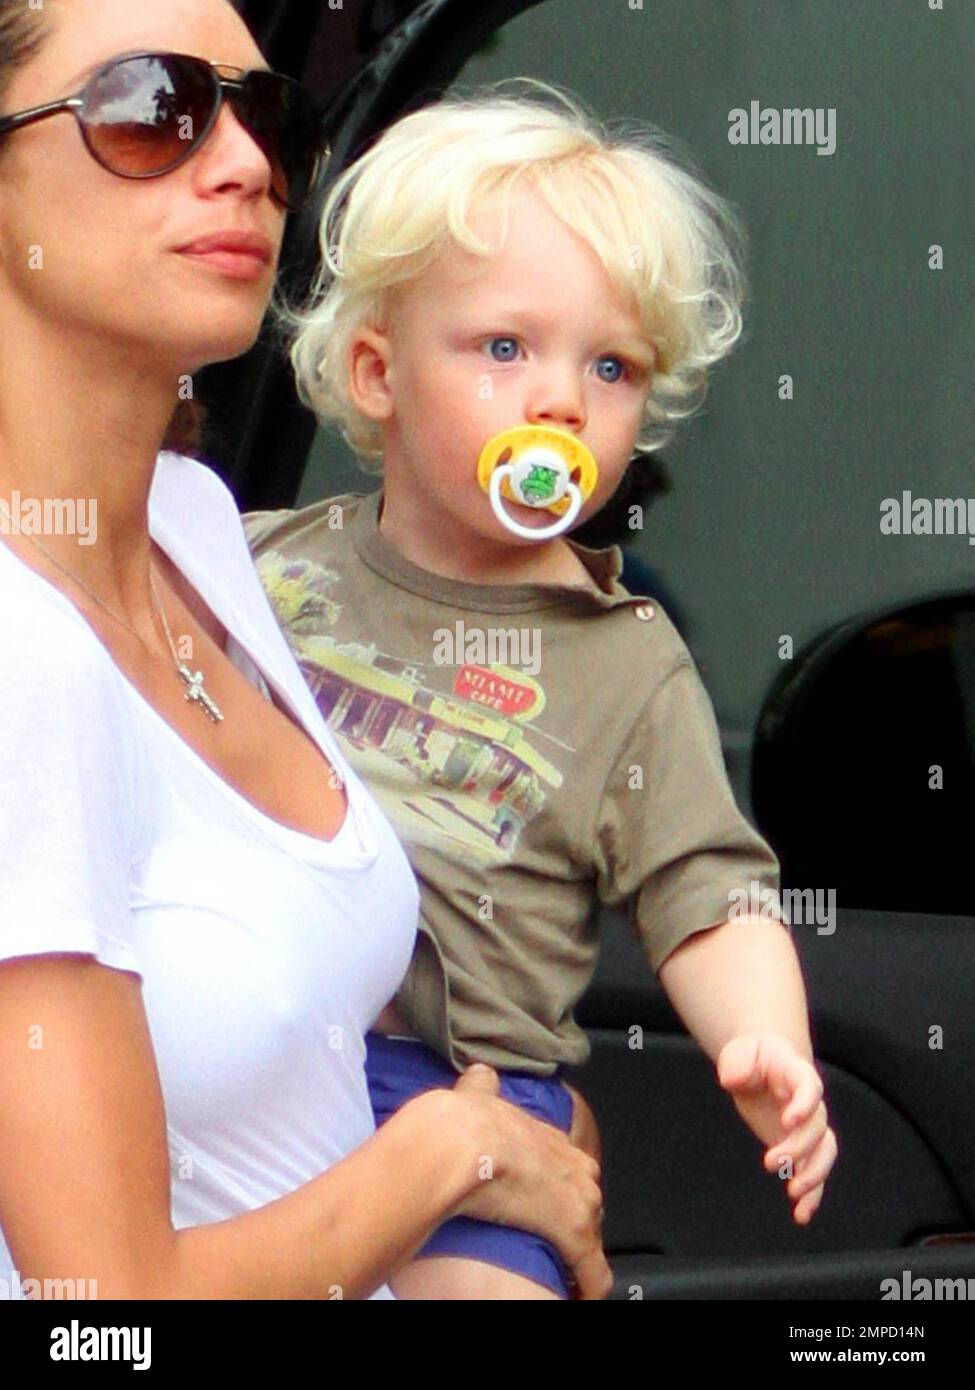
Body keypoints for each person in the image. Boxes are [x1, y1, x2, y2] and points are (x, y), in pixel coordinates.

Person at [0, 0, 610, 1302]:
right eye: (152, 106)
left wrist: (498, 1136)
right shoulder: (19, 653)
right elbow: (102, 1315)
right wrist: (447, 1153)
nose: (241, 162)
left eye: (265, 113)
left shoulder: (194, 521)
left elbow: (289, 1043)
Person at [244, 82, 839, 1300]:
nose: (561, 398)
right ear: (376, 373)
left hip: (469, 1100)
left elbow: (707, 890)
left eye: (610, 365)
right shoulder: (254, 563)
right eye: (505, 347)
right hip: (242, 1067)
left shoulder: (622, 657)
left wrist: (762, 1034)